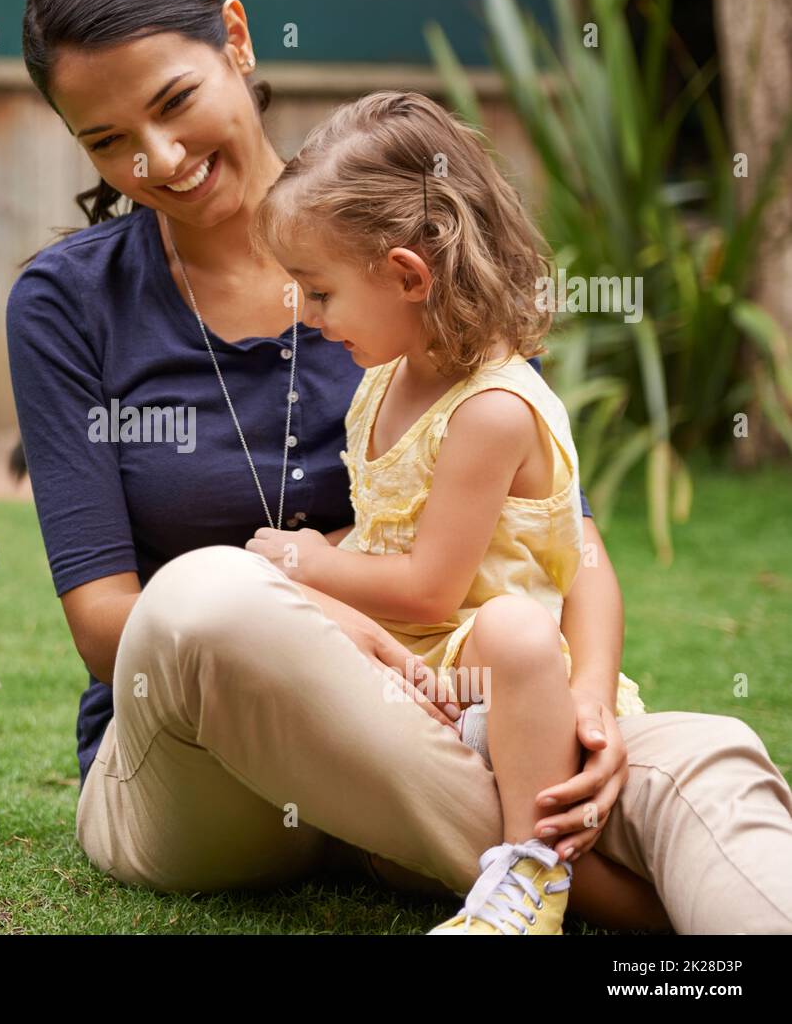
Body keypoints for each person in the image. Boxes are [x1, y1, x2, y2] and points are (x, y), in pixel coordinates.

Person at [6, 0, 792, 933]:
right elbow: (112, 626)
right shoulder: (65, 303)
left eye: (170, 103)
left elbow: (569, 538)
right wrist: (354, 640)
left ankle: (545, 866)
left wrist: (586, 699)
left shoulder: (406, 231)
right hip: (204, 775)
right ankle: (586, 892)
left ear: (235, 41)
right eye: (104, 140)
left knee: (707, 766)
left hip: (453, 710)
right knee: (208, 593)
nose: (153, 159)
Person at [243, 90, 653, 934]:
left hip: (496, 676)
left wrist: (310, 561)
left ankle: (530, 880)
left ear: (406, 274)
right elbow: (387, 534)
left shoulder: (493, 408)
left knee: (515, 630)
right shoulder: (384, 379)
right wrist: (299, 563)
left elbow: (433, 588)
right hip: (415, 665)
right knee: (252, 594)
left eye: (318, 292)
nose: (307, 316)